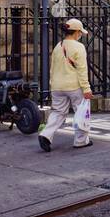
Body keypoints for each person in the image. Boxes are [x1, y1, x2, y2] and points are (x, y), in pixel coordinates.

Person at [39, 18, 92, 152]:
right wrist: (86, 88)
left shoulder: (59, 45)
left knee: (57, 112)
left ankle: (46, 134)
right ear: (76, 32)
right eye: (80, 33)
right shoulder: (79, 47)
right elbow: (82, 70)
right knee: (81, 112)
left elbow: (53, 68)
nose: (80, 35)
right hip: (74, 86)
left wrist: (52, 84)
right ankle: (81, 141)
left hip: (57, 86)